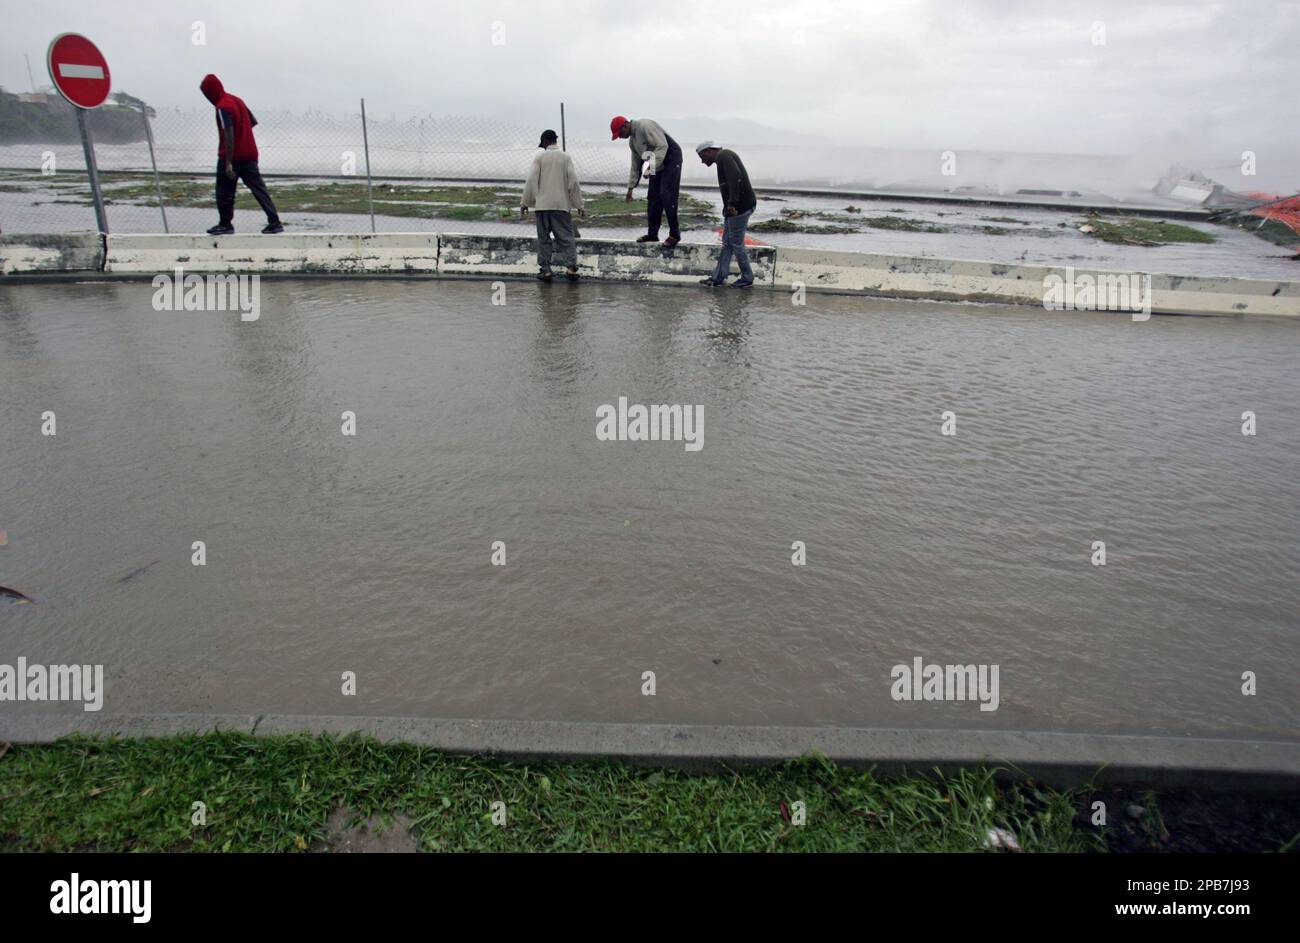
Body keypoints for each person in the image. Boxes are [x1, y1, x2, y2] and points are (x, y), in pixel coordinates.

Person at [199, 74, 283, 235]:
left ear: (210, 92)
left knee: (224, 192)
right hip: (250, 153)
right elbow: (252, 121)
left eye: (206, 94)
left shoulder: (222, 106)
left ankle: (225, 224)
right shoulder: (237, 100)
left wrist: (229, 162)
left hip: (231, 156)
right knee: (259, 189)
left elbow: (228, 132)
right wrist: (244, 135)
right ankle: (275, 221)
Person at [520, 129, 585, 282]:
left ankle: (546, 270)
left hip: (542, 206)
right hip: (561, 205)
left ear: (544, 142)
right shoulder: (566, 158)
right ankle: (571, 268)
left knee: (544, 239)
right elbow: (573, 182)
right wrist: (579, 206)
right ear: (555, 140)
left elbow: (531, 181)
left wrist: (525, 203)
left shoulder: (540, 158)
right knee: (566, 237)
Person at [610, 115, 682, 247]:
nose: (620, 137)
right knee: (653, 197)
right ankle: (652, 235)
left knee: (667, 195)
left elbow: (662, 146)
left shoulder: (645, 126)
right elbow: (635, 165)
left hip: (672, 157)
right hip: (657, 163)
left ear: (625, 125)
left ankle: (674, 234)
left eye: (620, 133)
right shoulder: (633, 142)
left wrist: (651, 166)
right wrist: (630, 188)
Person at [695, 141, 756, 288]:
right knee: (728, 243)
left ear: (709, 150)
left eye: (702, 156)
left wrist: (732, 204)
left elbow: (735, 177)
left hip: (740, 207)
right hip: (736, 207)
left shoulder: (724, 155)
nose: (702, 161)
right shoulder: (723, 157)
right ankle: (718, 277)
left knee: (735, 243)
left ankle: (747, 277)